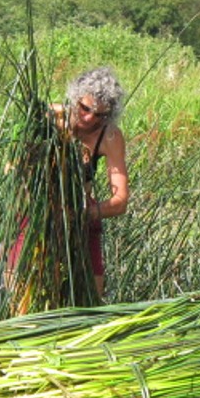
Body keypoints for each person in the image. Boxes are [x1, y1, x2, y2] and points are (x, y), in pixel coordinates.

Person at [51, 66, 129, 297]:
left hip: (81, 216)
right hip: (38, 213)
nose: (89, 118)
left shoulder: (110, 136)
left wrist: (82, 214)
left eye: (100, 115)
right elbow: (12, 167)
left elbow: (121, 200)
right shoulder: (50, 117)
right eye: (85, 108)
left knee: (92, 295)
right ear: (75, 98)